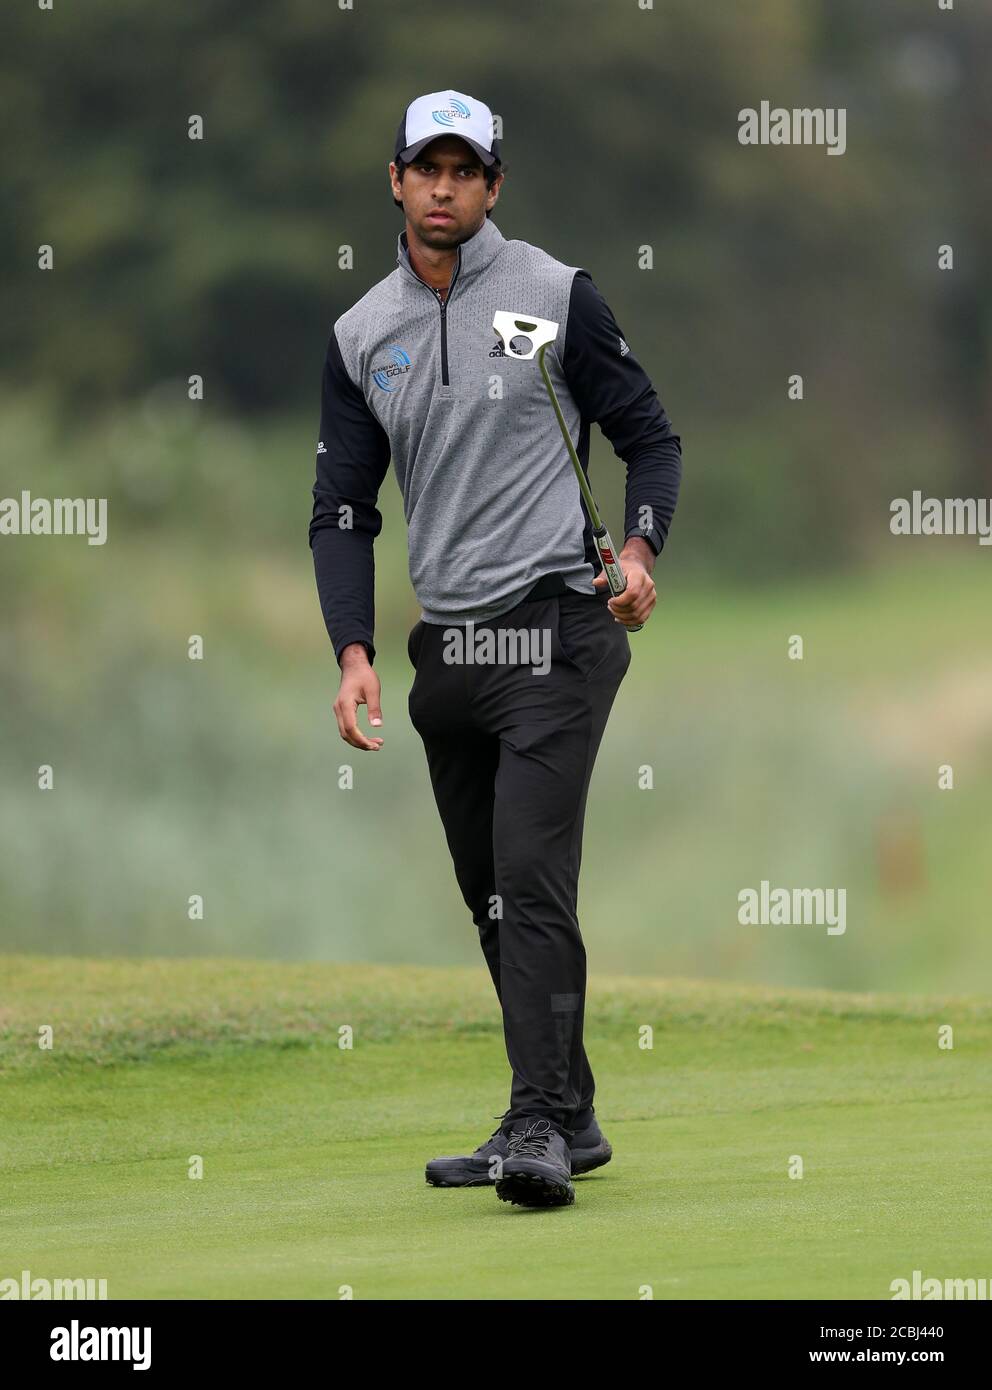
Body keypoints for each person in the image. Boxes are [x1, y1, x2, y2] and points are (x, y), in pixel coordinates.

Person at [309, 89, 682, 1208]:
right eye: (425, 166)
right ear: (394, 180)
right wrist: (354, 650)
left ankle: (533, 1119)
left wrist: (642, 549)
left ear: (492, 187)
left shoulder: (555, 294)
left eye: (464, 170)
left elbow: (648, 436)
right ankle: (566, 1111)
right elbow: (341, 507)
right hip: (448, 655)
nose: (442, 186)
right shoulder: (359, 333)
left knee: (527, 881)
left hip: (559, 627)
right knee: (489, 896)